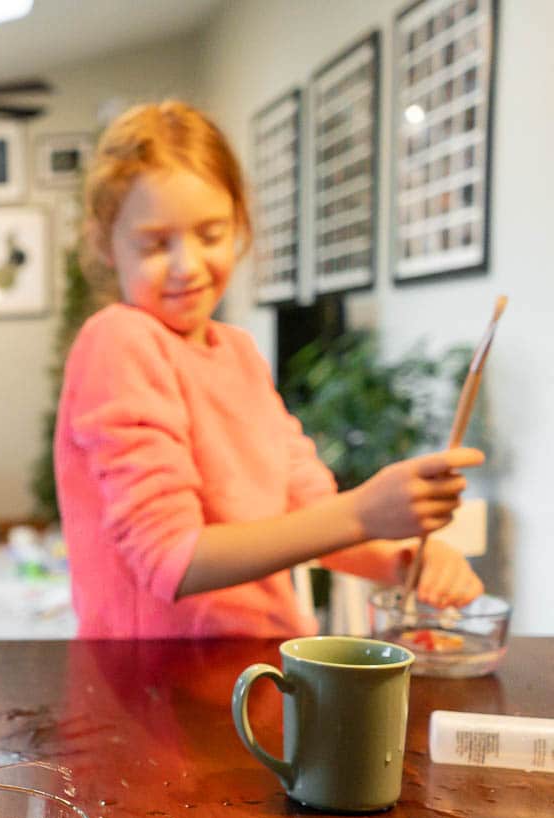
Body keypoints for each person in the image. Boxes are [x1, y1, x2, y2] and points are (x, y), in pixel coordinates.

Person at [54, 100, 484, 638]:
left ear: (239, 223)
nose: (188, 266)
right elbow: (172, 559)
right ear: (106, 244)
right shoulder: (119, 342)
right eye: (155, 244)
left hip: (258, 667)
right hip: (159, 684)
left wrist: (404, 558)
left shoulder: (237, 353)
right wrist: (363, 512)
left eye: (210, 235)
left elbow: (308, 509)